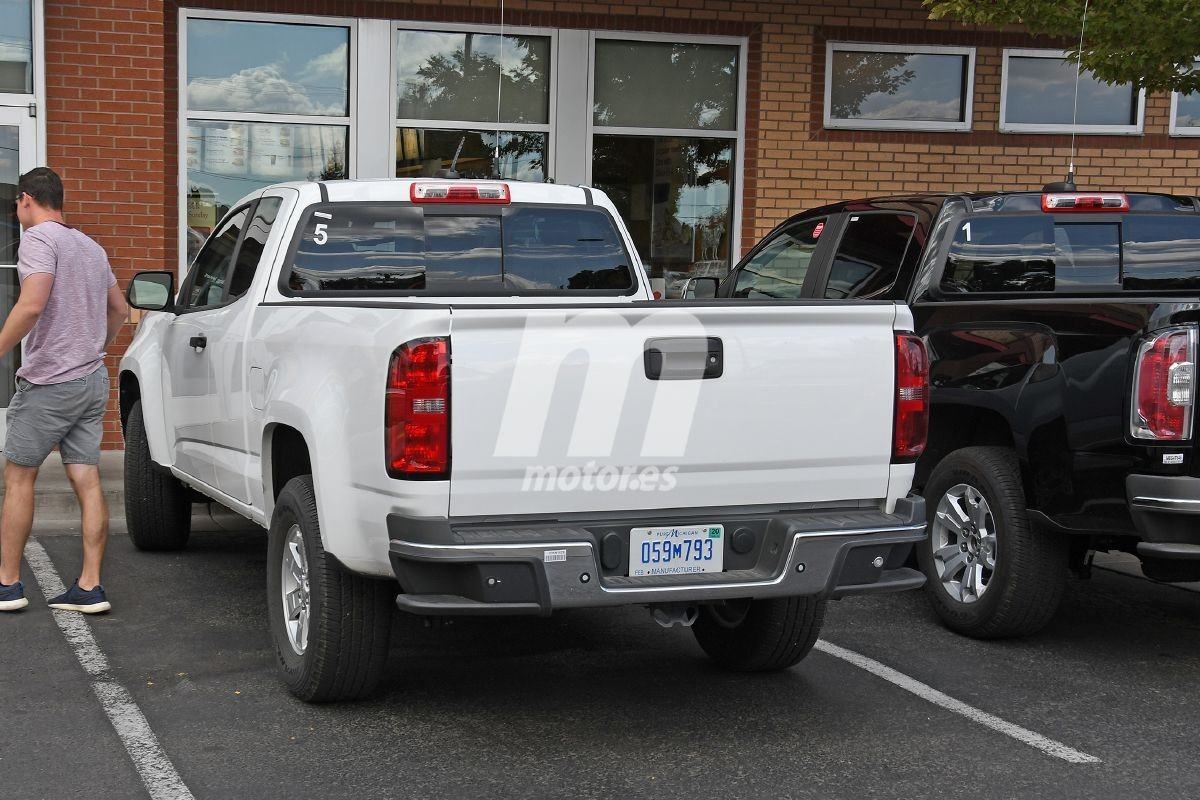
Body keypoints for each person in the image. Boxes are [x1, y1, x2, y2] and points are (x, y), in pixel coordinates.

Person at [0, 167, 127, 613]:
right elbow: (120, 309)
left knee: (19, 477)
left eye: (16, 204)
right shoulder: (90, 246)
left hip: (51, 382)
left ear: (27, 198)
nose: (16, 211)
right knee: (86, 478)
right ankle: (90, 586)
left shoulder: (38, 239)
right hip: (91, 379)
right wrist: (92, 346)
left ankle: (7, 585)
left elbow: (31, 305)